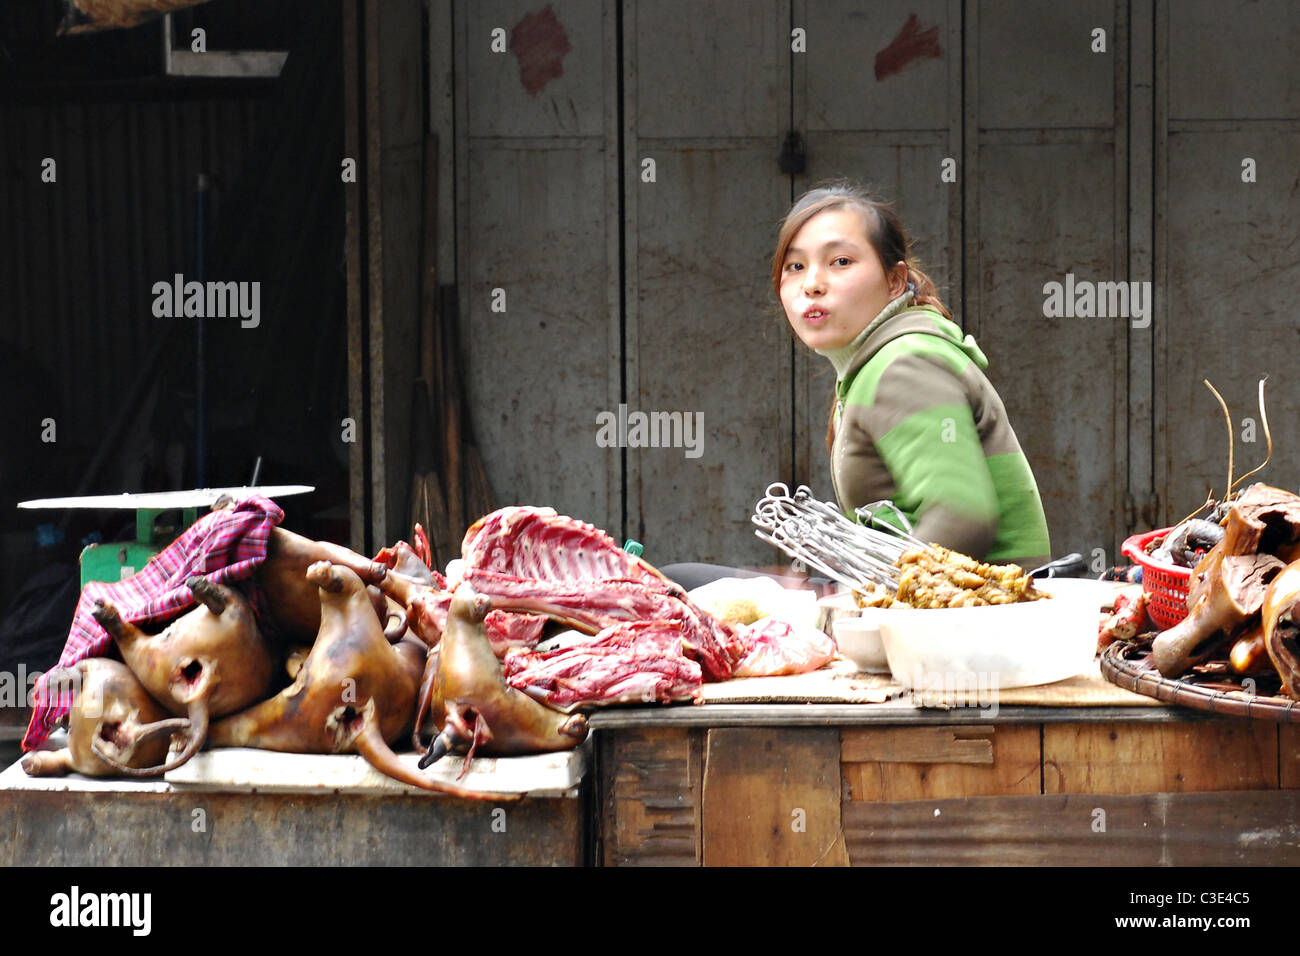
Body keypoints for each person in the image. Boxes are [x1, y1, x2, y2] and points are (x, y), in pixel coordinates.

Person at [775, 180, 1050, 569]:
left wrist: (874, 599)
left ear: (894, 282)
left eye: (840, 261)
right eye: (796, 266)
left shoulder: (903, 364)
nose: (812, 284)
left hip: (984, 616)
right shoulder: (870, 368)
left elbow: (962, 515)